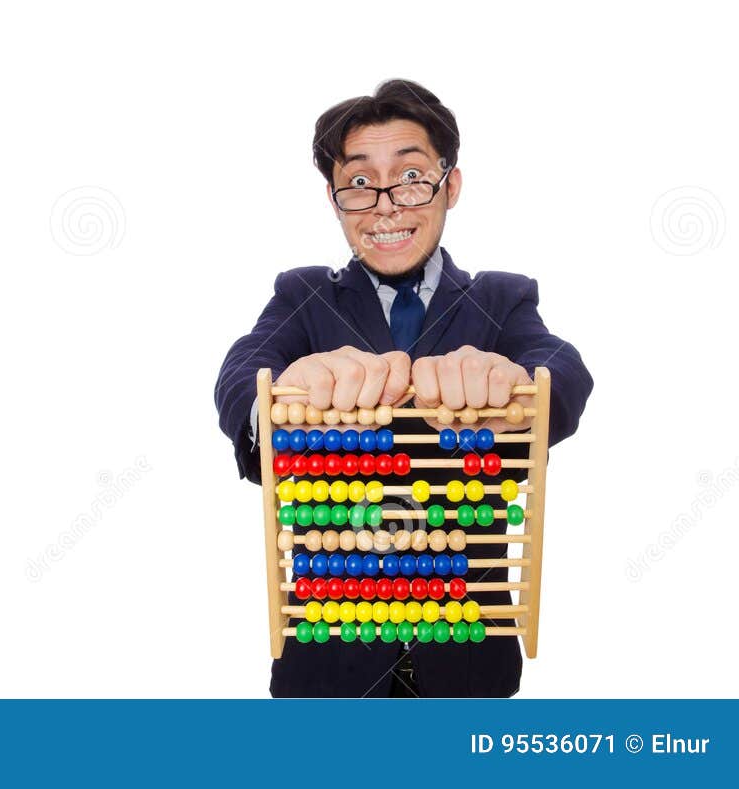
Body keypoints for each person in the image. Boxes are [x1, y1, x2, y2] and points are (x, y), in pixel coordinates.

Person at [213, 79, 592, 697]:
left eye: (412, 176)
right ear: (336, 202)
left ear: (452, 186)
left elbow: (562, 364)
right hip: (329, 661)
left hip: (468, 662)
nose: (385, 204)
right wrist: (279, 394)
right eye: (360, 183)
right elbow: (240, 371)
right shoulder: (303, 295)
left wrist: (519, 382)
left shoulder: (501, 298)